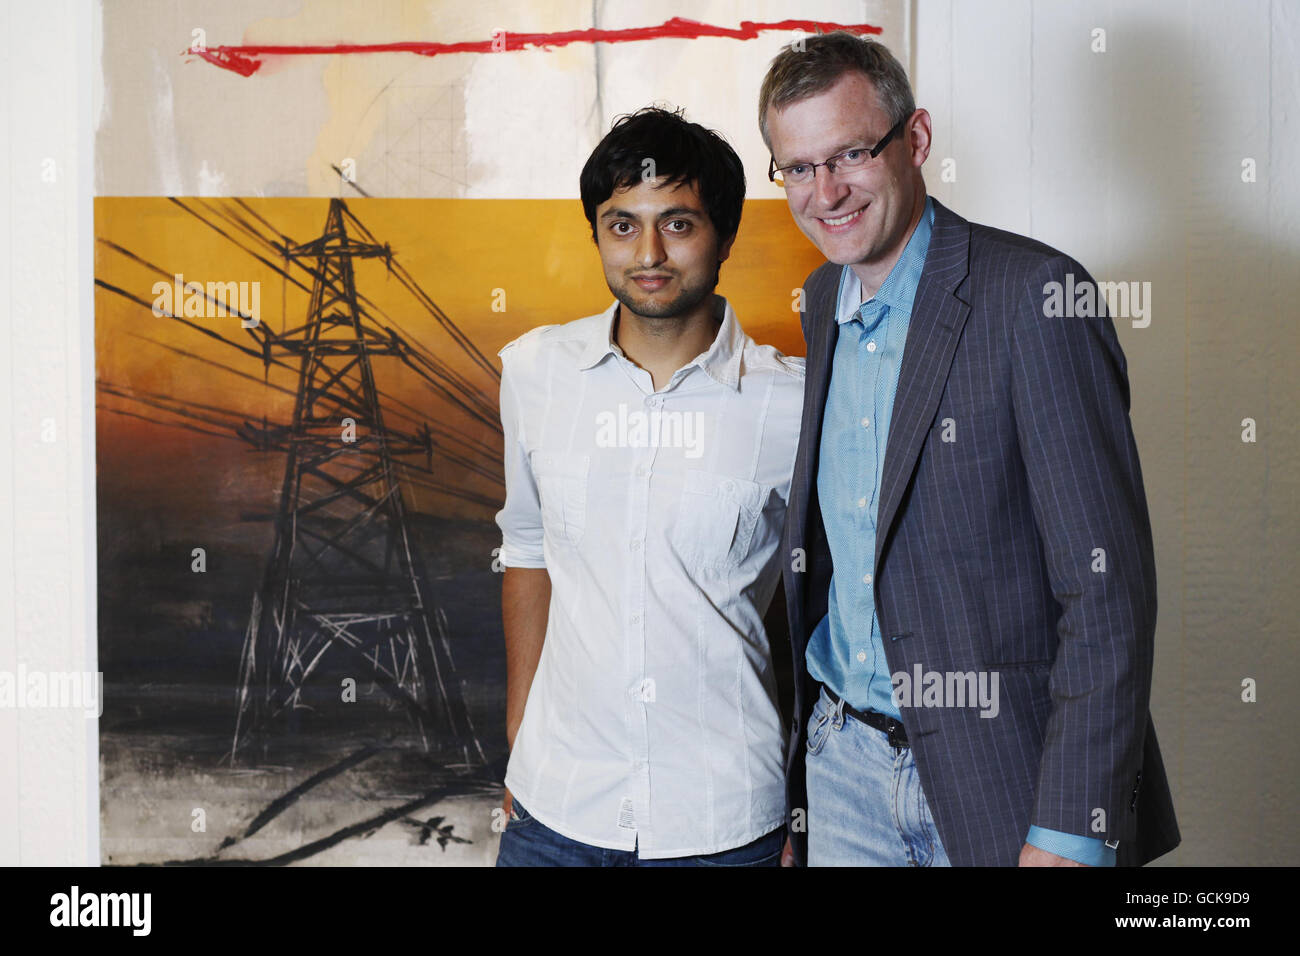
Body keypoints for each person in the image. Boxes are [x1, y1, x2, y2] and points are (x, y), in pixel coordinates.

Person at [760, 32, 1180, 866]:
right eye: (797, 168)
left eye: (849, 153)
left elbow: (1108, 593)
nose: (826, 192)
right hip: (842, 771)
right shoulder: (819, 297)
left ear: (914, 140)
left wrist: (1070, 829)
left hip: (1006, 780)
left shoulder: (1035, 298)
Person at [492, 106, 805, 866]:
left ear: (725, 236)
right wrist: (521, 733)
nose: (650, 253)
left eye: (679, 223)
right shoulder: (535, 372)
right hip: (554, 812)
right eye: (622, 225)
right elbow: (526, 548)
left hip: (725, 822)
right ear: (597, 234)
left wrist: (801, 802)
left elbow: (827, 606)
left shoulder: (793, 402)